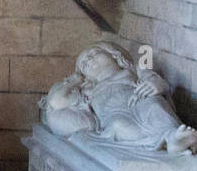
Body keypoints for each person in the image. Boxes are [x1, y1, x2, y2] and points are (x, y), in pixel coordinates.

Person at [40, 41, 197, 153]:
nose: (89, 60)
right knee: (119, 125)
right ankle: (165, 142)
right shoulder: (89, 90)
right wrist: (73, 81)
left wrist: (156, 85)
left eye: (94, 54)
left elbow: (154, 79)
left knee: (155, 105)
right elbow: (57, 101)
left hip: (140, 101)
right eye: (83, 65)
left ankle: (173, 138)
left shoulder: (134, 70)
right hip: (114, 114)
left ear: (114, 54)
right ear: (84, 75)